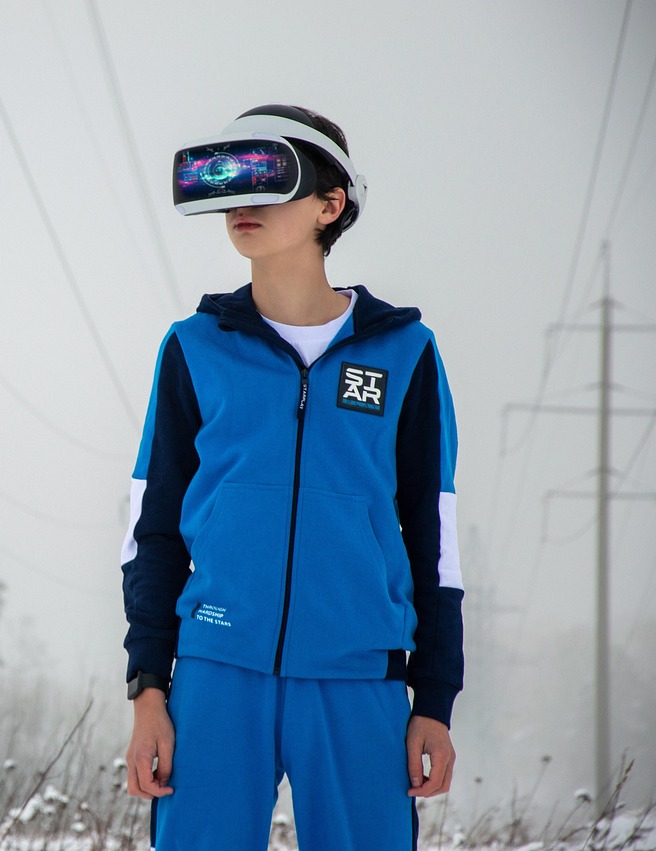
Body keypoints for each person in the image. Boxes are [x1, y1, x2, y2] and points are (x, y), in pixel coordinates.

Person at [120, 104, 463, 850]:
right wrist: (149, 686)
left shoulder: (405, 353)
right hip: (215, 673)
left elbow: (434, 538)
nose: (243, 207)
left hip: (356, 678)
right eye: (232, 188)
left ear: (329, 205)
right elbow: (153, 528)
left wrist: (434, 696)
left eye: (268, 185)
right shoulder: (194, 348)